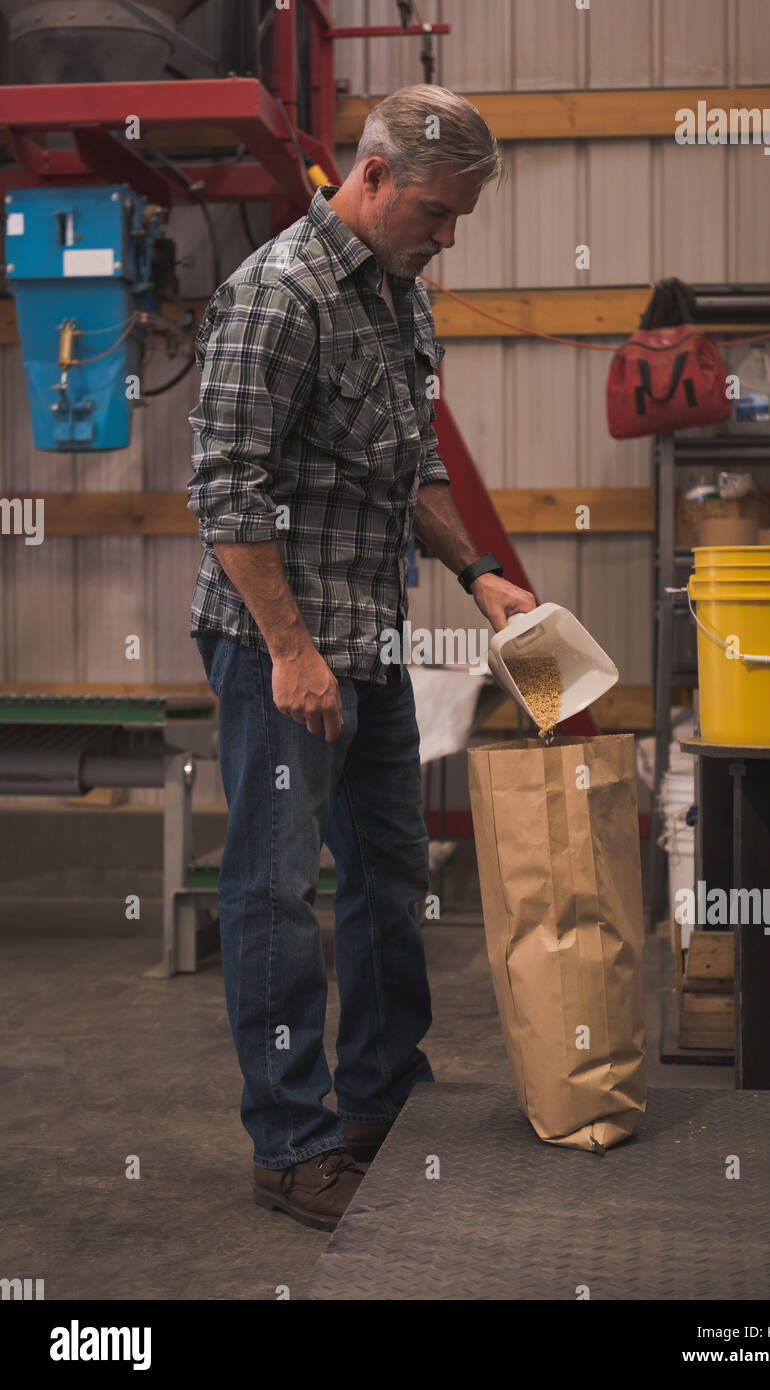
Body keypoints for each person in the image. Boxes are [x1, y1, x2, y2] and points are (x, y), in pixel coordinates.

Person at [187, 84, 536, 1232]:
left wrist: (477, 569)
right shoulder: (274, 297)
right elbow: (226, 495)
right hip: (278, 649)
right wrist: (291, 652)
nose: (447, 240)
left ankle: (382, 1102)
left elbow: (412, 466)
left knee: (391, 875)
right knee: (278, 892)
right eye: (437, 213)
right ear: (373, 177)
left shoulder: (398, 301)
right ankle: (290, 1146)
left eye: (460, 221)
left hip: (373, 640)